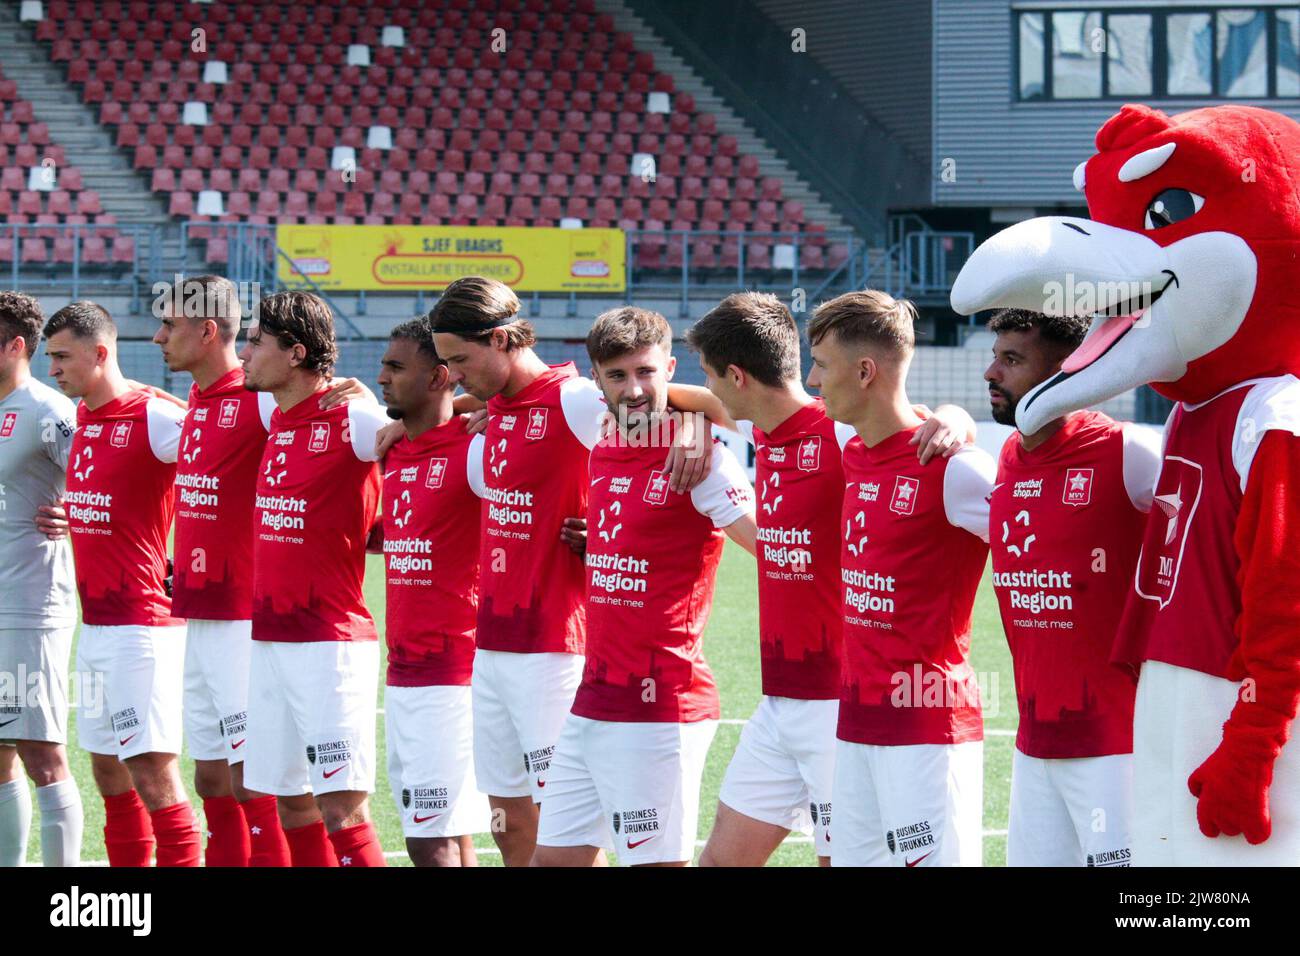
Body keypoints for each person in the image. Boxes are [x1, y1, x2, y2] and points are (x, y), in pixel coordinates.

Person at [677, 291, 973, 866]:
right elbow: (668, 397)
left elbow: (917, 434)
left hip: (840, 702)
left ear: (736, 376)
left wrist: (957, 418)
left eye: (712, 378)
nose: (708, 391)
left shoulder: (838, 431)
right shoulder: (760, 429)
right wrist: (692, 422)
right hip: (779, 702)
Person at [427, 276, 711, 865]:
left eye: (458, 360)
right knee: (507, 817)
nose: (453, 373)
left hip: (556, 648)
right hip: (493, 645)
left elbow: (657, 400)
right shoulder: (494, 406)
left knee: (571, 820)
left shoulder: (575, 398)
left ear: (501, 339)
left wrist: (693, 424)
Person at [532, 307, 757, 866]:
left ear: (671, 369)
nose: (634, 389)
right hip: (593, 701)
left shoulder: (702, 458)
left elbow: (772, 550)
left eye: (647, 372)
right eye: (617, 376)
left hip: (661, 705)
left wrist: (701, 422)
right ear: (597, 380)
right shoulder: (600, 433)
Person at [807, 290, 994, 867]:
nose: (813, 381)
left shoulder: (958, 470)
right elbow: (753, 402)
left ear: (865, 372)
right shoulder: (850, 444)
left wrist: (962, 424)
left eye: (821, 364)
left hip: (929, 727)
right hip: (857, 723)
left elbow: (1046, 543)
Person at [983, 308, 1160, 867]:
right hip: (1035, 747)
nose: (991, 372)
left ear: (1071, 370)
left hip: (1120, 749)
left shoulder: (1129, 454)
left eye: (1012, 360)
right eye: (996, 355)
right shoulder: (1007, 457)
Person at [238, 291, 389, 867]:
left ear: (296, 352)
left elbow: (432, 431)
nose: (244, 352)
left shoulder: (353, 415)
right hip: (271, 637)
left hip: (329, 643)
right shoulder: (278, 414)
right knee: (289, 802)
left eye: (256, 341)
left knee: (342, 808)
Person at [46, 300, 197, 866]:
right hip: (100, 626)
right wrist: (76, 514)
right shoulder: (85, 415)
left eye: (62, 357)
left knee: (152, 771)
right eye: (49, 356)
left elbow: (226, 465)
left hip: (144, 626)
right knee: (107, 767)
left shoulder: (155, 417)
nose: (52, 368)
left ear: (100, 353)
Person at [372, 318, 491, 866]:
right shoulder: (392, 451)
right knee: (450, 833)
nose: (381, 377)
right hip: (407, 668)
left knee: (429, 838)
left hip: (451, 672)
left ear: (441, 377)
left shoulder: (475, 450)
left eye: (397, 368)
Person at [0, 291, 82, 867]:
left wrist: (75, 512)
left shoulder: (48, 410)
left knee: (41, 754)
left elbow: (112, 481)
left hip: (31, 607)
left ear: (15, 346)